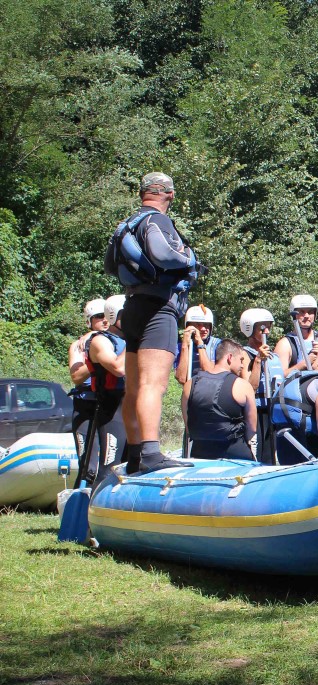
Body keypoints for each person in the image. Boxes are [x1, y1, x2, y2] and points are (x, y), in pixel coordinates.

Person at [106, 172, 198, 475]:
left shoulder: (127, 224)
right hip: (158, 309)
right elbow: (162, 254)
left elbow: (110, 266)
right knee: (152, 385)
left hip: (131, 306)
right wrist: (188, 259)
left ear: (142, 193)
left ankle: (135, 455)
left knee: (133, 386)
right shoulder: (158, 222)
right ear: (169, 195)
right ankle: (151, 453)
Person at [182, 339, 258, 460]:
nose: (242, 365)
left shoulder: (190, 384)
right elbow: (252, 427)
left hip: (199, 453)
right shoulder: (242, 385)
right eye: (241, 360)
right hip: (235, 453)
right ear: (229, 357)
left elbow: (188, 425)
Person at [82, 294, 129, 481]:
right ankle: (93, 507)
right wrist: (135, 340)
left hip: (131, 408)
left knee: (133, 466)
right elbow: (118, 368)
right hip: (112, 410)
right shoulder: (99, 341)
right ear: (114, 316)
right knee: (110, 468)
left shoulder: (129, 341)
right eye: (127, 314)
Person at [68, 299, 108, 474]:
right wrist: (95, 359)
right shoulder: (78, 346)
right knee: (88, 466)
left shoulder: (118, 343)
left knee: (110, 462)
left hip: (109, 404)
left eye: (107, 316)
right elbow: (76, 376)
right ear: (89, 321)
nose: (105, 320)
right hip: (86, 407)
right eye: (99, 317)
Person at [239, 308, 281, 462]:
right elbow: (249, 387)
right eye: (262, 327)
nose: (267, 331)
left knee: (271, 454)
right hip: (256, 409)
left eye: (269, 326)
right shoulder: (244, 354)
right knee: (257, 453)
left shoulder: (274, 355)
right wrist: (257, 360)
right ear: (250, 328)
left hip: (272, 408)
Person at [276, 294, 318, 375]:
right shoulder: (285, 344)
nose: (306, 316)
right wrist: (302, 365)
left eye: (310, 312)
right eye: (301, 312)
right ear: (293, 315)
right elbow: (278, 377)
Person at [175, 305, 221, 385]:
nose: (203, 329)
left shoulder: (217, 344)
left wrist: (200, 343)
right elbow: (181, 378)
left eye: (206, 325)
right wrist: (185, 346)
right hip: (191, 393)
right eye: (198, 325)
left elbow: (210, 374)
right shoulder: (180, 348)